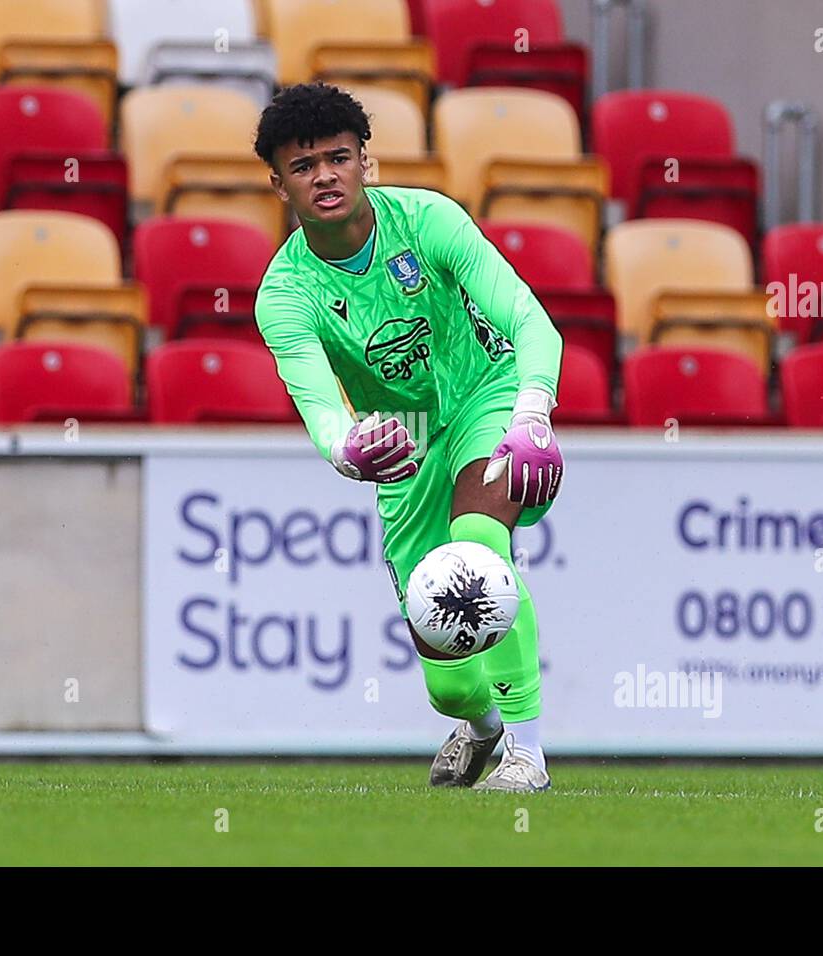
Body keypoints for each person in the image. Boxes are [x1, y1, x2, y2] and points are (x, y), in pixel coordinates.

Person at [253, 83, 565, 792]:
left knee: (480, 545)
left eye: (339, 158)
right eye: (304, 167)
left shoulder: (428, 221)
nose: (325, 176)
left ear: (368, 161)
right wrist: (345, 449)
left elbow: (531, 322)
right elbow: (317, 401)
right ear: (279, 185)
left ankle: (528, 756)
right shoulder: (284, 294)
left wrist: (531, 416)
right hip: (403, 443)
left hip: (484, 396)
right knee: (449, 682)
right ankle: (481, 726)